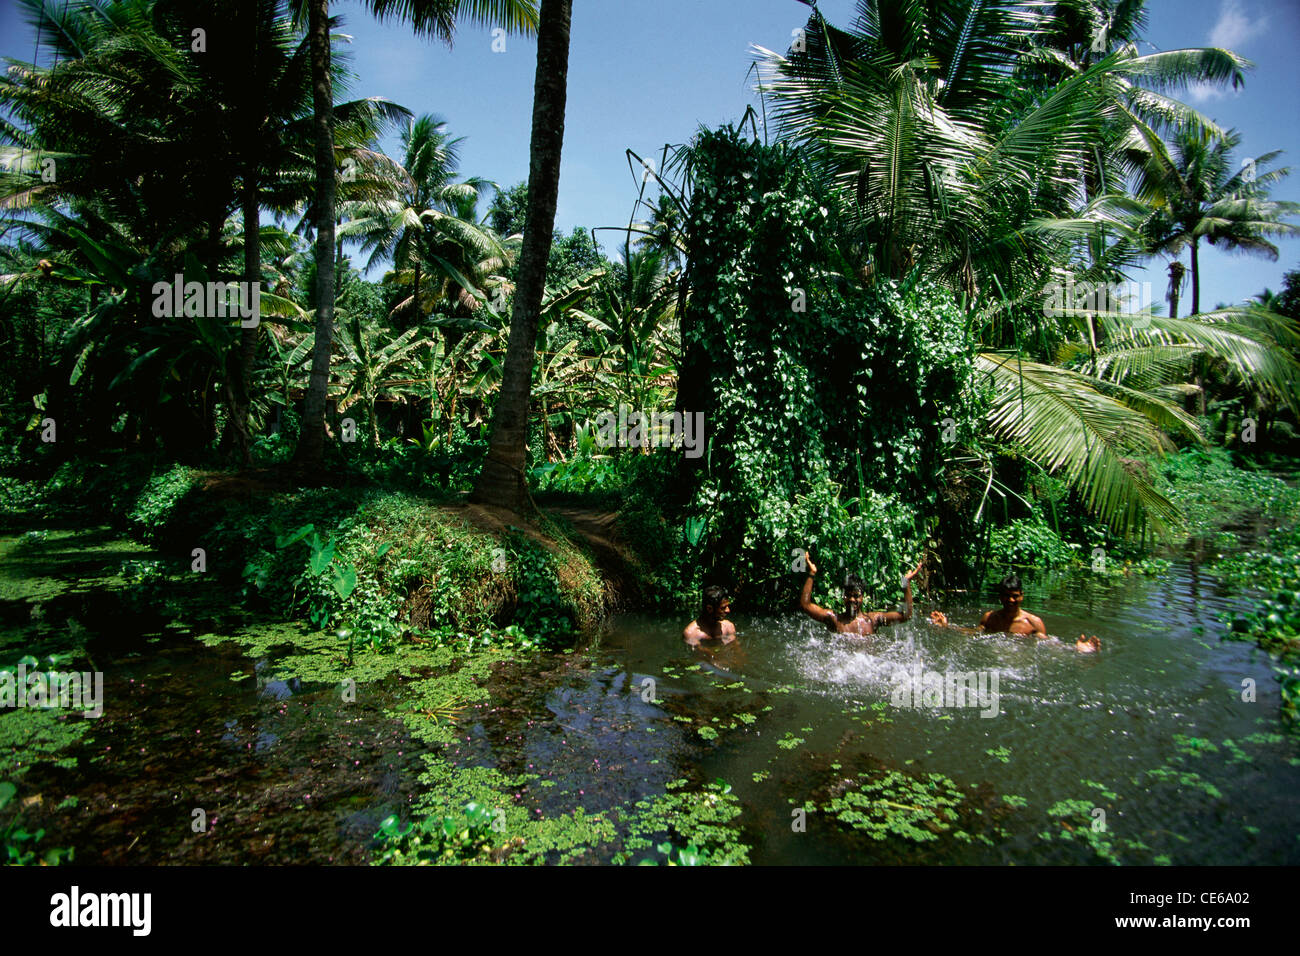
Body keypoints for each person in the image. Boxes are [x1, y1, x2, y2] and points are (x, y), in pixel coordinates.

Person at [929, 573, 1101, 653]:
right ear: (1000, 598)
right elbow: (975, 632)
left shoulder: (1033, 623)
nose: (1011, 601)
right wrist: (948, 626)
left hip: (1020, 659)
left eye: (1015, 596)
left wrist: (1074, 648)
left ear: (1021, 596)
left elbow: (1049, 644)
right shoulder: (990, 618)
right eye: (1007, 596)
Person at [799, 550, 922, 636]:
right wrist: (812, 574)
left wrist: (906, 584)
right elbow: (806, 605)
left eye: (856, 596)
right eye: (848, 595)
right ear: (843, 597)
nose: (852, 600)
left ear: (863, 597)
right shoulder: (834, 619)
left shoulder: (873, 620)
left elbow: (907, 615)